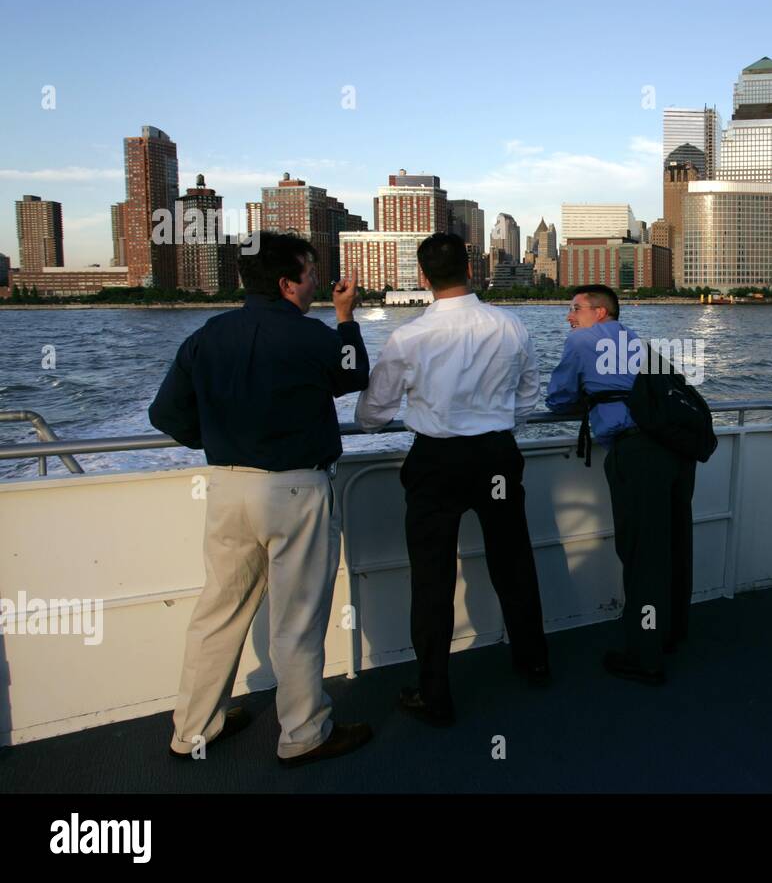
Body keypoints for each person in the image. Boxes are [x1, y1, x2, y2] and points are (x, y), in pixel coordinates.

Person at [149, 231, 373, 767]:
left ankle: (193, 729)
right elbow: (354, 374)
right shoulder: (312, 336)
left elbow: (165, 415)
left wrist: (220, 440)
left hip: (227, 487)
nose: (317, 283)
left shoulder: (207, 336)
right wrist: (346, 317)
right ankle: (302, 734)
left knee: (218, 612)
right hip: (295, 490)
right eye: (311, 274)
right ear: (287, 284)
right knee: (296, 617)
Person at [354, 233, 548, 726]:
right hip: (496, 457)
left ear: (423, 277)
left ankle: (435, 694)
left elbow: (373, 416)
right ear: (471, 268)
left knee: (431, 576)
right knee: (513, 561)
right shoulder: (510, 325)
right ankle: (534, 663)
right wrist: (498, 425)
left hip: (436, 462)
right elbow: (529, 393)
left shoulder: (409, 337)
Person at [545, 285, 695, 685]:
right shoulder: (638, 342)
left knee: (643, 555)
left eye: (576, 308)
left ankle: (645, 657)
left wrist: (588, 397)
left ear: (600, 312)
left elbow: (557, 398)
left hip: (639, 453)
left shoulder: (582, 341)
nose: (569, 316)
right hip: (677, 453)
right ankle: (669, 634)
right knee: (674, 546)